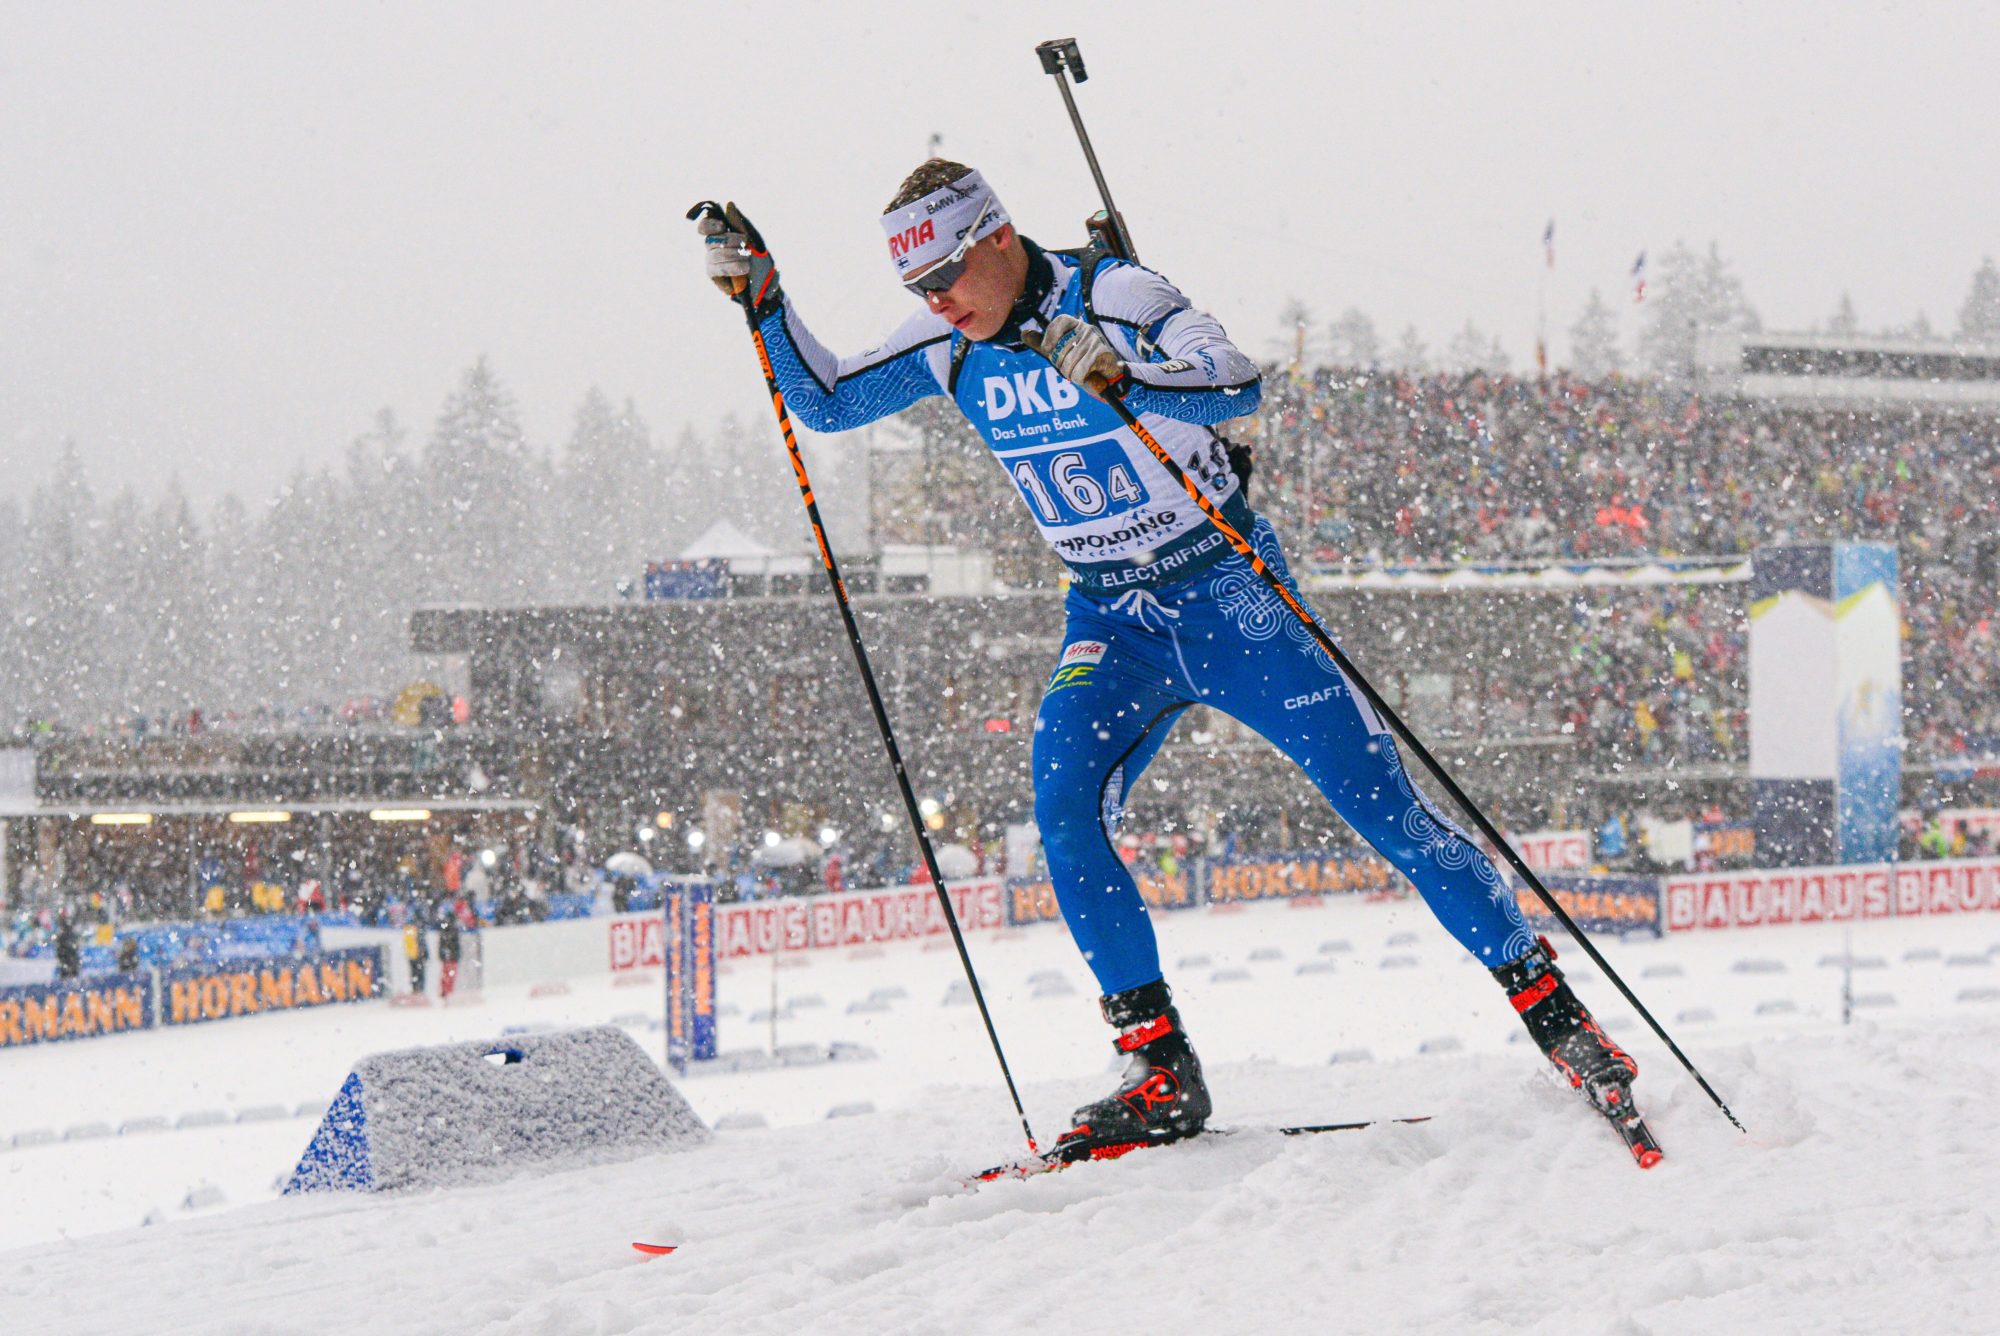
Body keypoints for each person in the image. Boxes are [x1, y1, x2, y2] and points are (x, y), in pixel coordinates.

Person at [693, 160, 1642, 1160]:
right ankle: (1158, 1071)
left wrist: (1124, 377)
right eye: (915, 290)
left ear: (997, 239)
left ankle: (1561, 1023)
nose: (935, 302)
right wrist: (763, 304)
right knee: (1061, 804)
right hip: (1112, 619)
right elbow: (830, 401)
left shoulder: (1118, 295)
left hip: (1227, 593)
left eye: (945, 279)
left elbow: (1237, 383)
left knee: (1380, 805)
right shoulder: (943, 343)